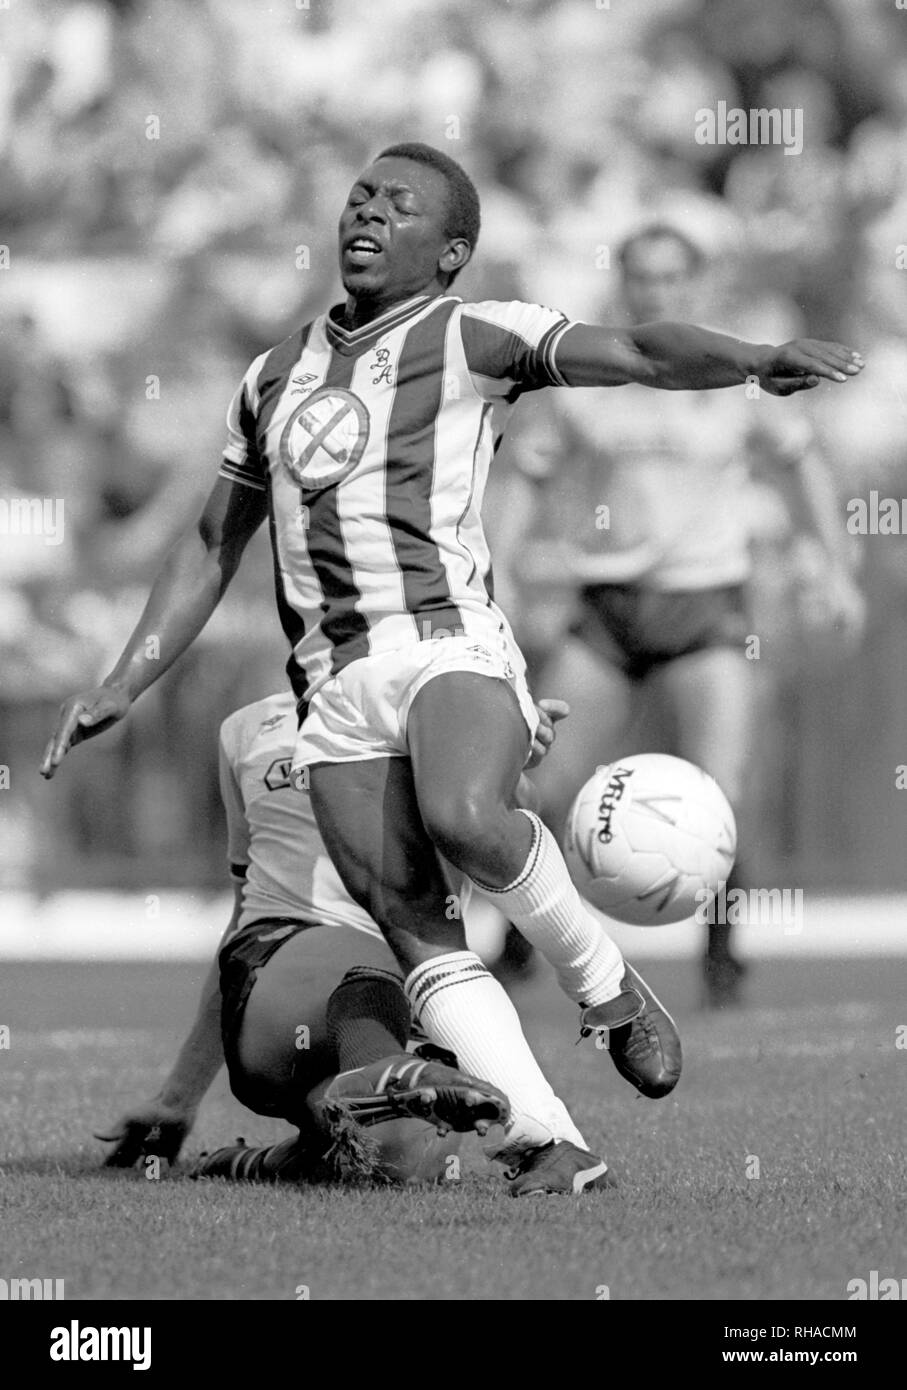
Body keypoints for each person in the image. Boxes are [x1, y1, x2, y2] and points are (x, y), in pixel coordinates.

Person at [43, 141, 862, 1193]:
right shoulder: (270, 376)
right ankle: (551, 1140)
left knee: (470, 816)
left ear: (451, 251)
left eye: (400, 204)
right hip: (332, 688)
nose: (368, 213)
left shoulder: (479, 333)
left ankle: (607, 989)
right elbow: (213, 542)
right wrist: (123, 679)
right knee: (425, 935)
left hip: (449, 641)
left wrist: (750, 357)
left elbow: (646, 353)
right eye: (359, 197)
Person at [505, 224, 865, 1005]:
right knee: (541, 783)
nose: (656, 293)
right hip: (604, 608)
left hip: (704, 604)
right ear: (621, 285)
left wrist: (833, 567)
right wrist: (495, 571)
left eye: (671, 280)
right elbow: (523, 478)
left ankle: (721, 955)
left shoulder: (734, 377)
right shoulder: (582, 377)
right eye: (642, 278)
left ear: (695, 288)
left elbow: (802, 463)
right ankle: (517, 941)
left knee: (724, 785)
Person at [98, 691, 654, 1196]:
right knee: (384, 958)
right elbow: (245, 908)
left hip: (409, 987)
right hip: (280, 971)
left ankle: (283, 1150)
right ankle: (386, 1069)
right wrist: (177, 1097)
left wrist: (507, 754)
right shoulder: (244, 728)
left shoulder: (440, 710)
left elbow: (503, 836)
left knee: (401, 1165)